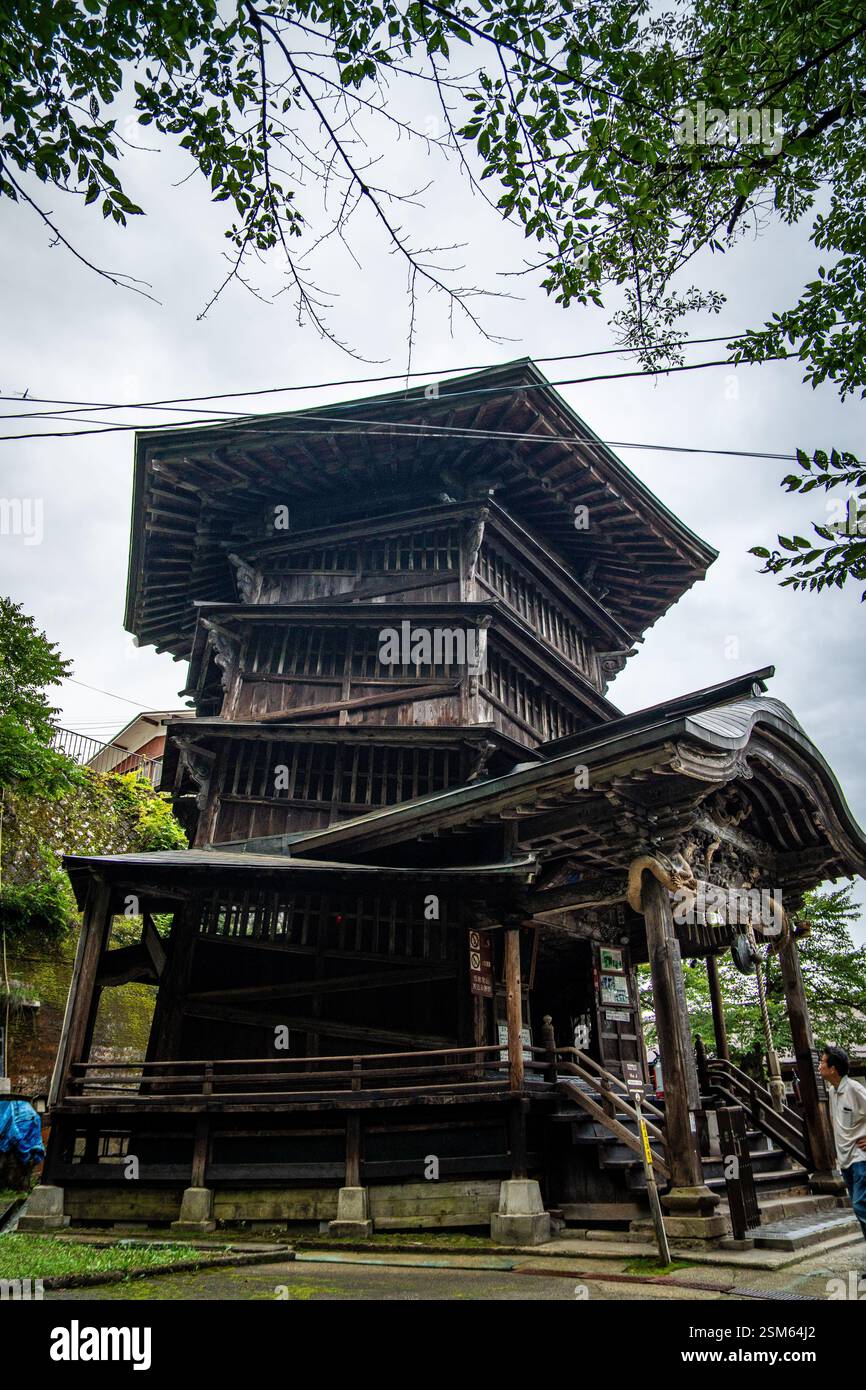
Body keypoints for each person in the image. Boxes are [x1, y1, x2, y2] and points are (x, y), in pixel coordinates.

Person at [818, 1045, 866, 1243]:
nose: (819, 1066)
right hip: (845, 1161)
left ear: (833, 1069)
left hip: (861, 1158)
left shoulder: (855, 1089)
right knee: (861, 1211)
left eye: (822, 1062)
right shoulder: (832, 1092)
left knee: (860, 1206)